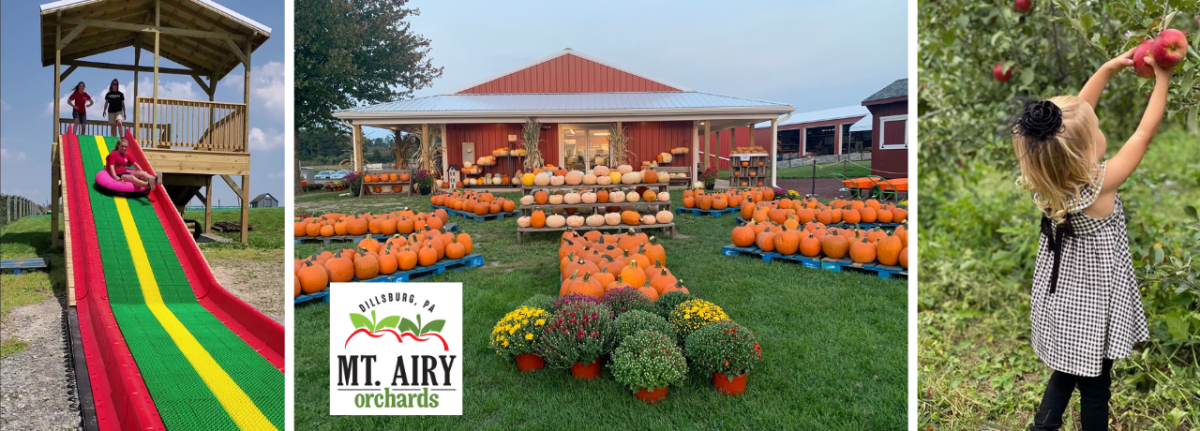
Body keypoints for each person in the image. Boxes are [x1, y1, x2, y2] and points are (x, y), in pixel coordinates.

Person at [1012, 48, 1171, 431]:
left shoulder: (1044, 179)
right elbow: (1143, 133)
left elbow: (1075, 117)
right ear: (1083, 150)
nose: (1101, 131)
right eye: (1097, 130)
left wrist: (1108, 68)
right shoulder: (1100, 185)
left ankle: (1041, 428)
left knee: (1064, 375)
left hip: (1061, 305)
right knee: (1097, 390)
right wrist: (1163, 79)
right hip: (1093, 310)